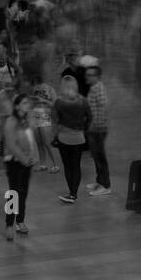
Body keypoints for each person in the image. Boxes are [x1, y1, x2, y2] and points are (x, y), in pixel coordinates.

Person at [1, 94, 37, 240]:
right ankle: (9, 225)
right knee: (14, 193)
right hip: (15, 161)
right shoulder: (11, 121)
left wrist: (32, 158)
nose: (27, 105)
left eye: (28, 102)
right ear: (17, 106)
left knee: (24, 192)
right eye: (24, 103)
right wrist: (23, 158)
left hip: (28, 161)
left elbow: (32, 140)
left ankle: (20, 221)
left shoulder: (27, 120)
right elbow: (11, 144)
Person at [53, 74, 91, 204]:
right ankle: (74, 193)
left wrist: (57, 132)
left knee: (67, 166)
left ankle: (71, 193)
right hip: (79, 137)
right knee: (76, 166)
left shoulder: (58, 102)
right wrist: (83, 129)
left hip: (64, 138)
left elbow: (54, 120)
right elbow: (90, 118)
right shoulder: (83, 101)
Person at [84, 65, 112, 196]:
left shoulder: (98, 88)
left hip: (98, 128)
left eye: (90, 75)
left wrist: (95, 125)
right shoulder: (94, 87)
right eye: (87, 74)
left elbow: (104, 106)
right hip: (94, 128)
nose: (87, 77)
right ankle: (99, 181)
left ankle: (105, 185)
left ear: (97, 77)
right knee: (96, 156)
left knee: (100, 157)